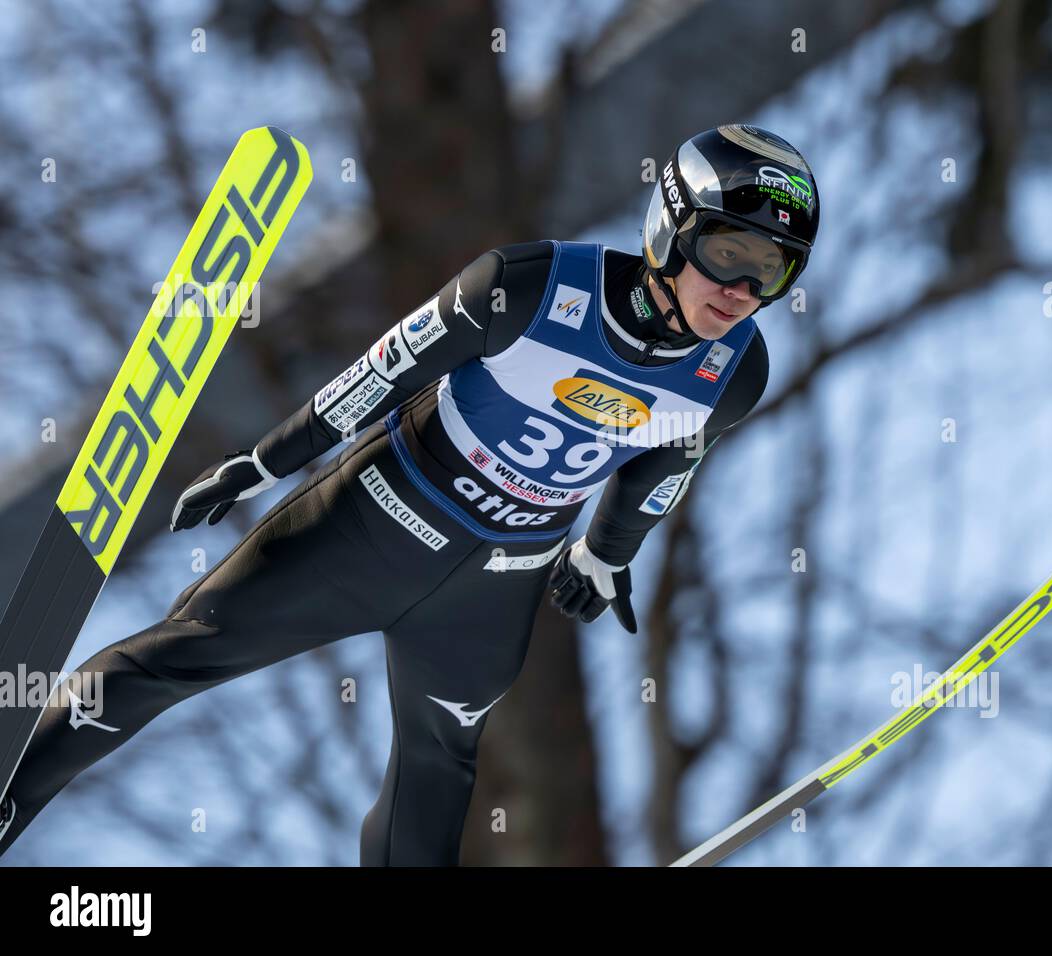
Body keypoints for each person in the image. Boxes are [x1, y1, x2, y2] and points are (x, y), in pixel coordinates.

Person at [0, 124, 820, 864]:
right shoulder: (527, 287)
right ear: (670, 228)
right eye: (728, 253)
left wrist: (606, 555)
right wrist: (265, 460)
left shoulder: (735, 372)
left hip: (495, 584)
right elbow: (383, 373)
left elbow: (665, 462)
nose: (743, 291)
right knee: (179, 656)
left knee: (437, 779)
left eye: (771, 272)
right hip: (378, 520)